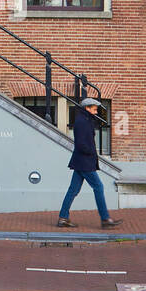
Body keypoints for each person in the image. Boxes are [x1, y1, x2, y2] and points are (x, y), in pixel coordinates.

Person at [57, 98, 121, 229]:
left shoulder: (85, 120)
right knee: (98, 187)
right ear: (87, 108)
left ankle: (63, 218)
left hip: (82, 161)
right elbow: (80, 144)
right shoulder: (82, 122)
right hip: (84, 162)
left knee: (73, 190)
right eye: (94, 109)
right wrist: (91, 153)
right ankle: (105, 219)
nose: (96, 112)